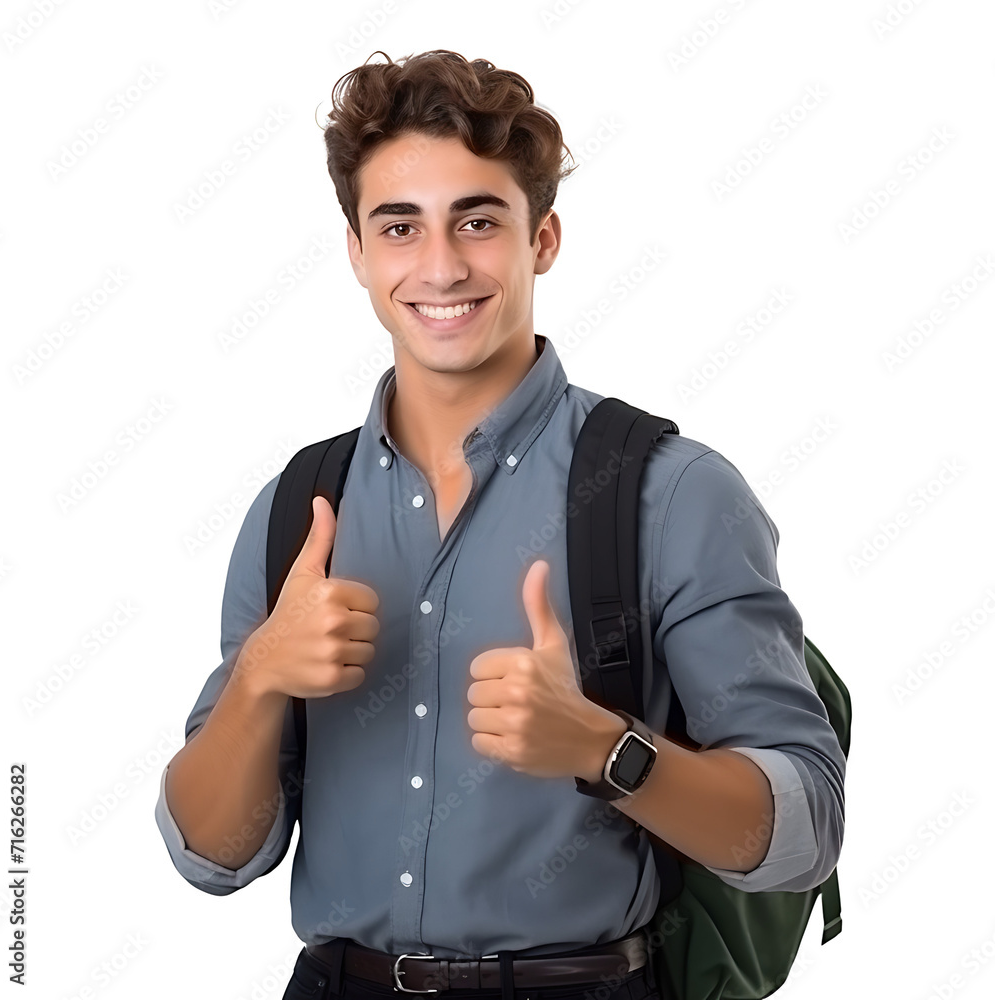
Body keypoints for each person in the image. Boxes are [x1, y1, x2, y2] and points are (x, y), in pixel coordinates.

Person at [155, 49, 845, 1000]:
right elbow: (209, 855)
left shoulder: (674, 493)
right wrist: (260, 682)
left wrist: (606, 751)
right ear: (357, 250)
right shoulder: (296, 508)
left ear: (543, 238)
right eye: (400, 226)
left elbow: (805, 828)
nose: (440, 267)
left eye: (478, 220)